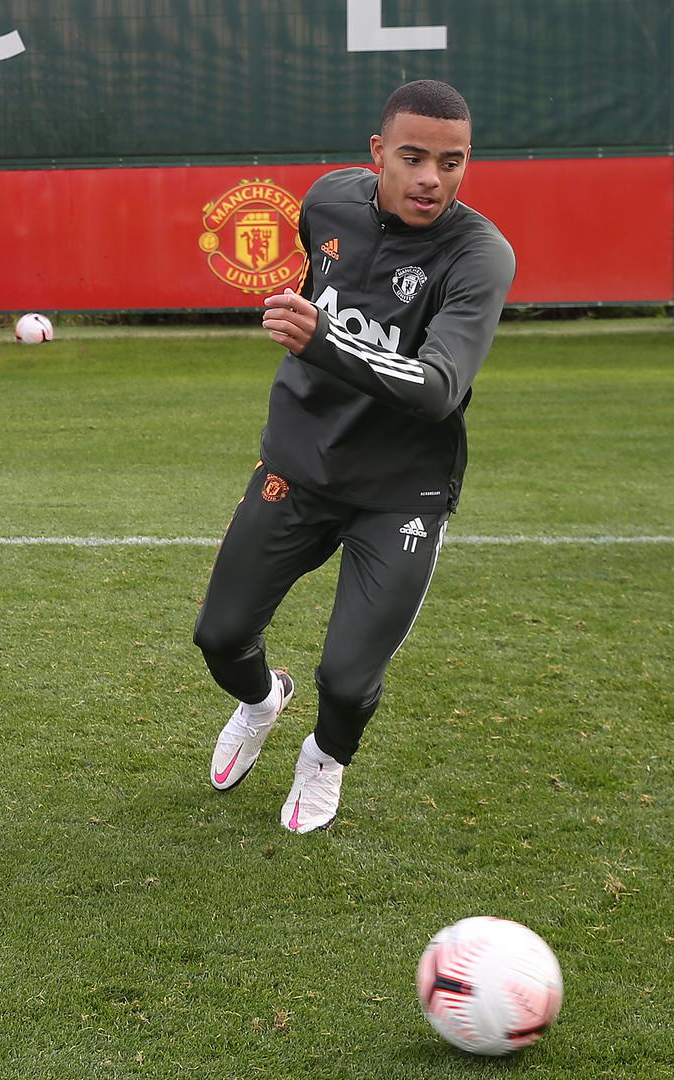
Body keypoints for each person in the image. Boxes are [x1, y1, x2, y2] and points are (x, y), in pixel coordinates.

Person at [194, 79, 515, 833]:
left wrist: (325, 341)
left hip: (400, 493)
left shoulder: (479, 256)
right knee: (218, 636)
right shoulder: (327, 201)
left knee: (345, 677)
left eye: (452, 161)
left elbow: (438, 386)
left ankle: (324, 757)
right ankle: (260, 701)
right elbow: (316, 275)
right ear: (377, 154)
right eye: (411, 158)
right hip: (297, 466)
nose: (431, 178)